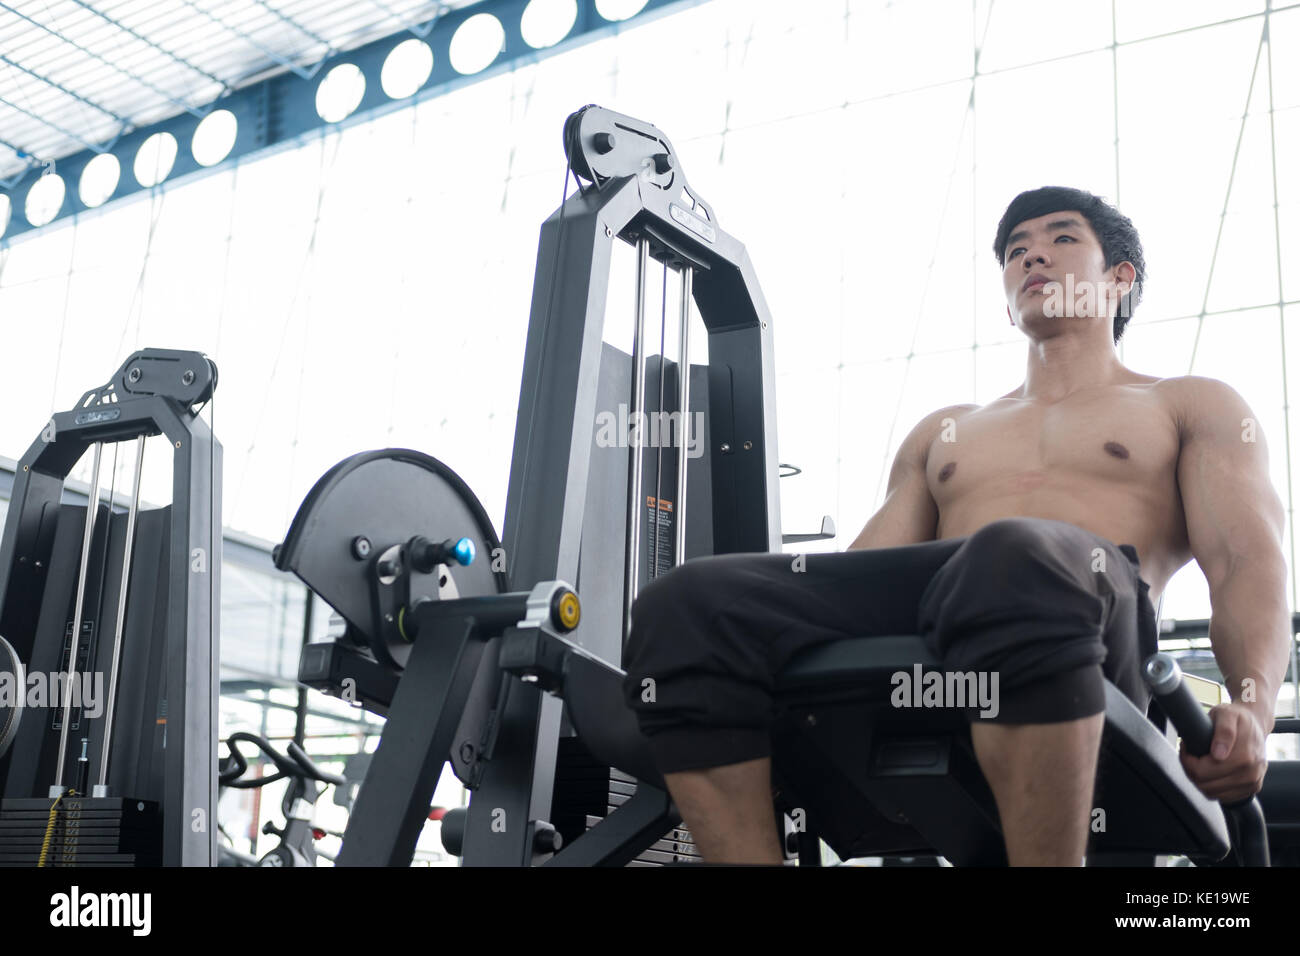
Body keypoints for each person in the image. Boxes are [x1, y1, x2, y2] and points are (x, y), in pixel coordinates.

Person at [621, 185, 1291, 866]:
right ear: (1006, 302)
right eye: (1015, 251)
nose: (1032, 254)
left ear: (1120, 279)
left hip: (1090, 634)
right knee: (686, 604)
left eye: (1062, 239)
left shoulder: (1187, 403)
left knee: (1012, 553)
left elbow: (1245, 563)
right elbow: (860, 576)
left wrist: (1252, 710)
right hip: (952, 625)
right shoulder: (946, 430)